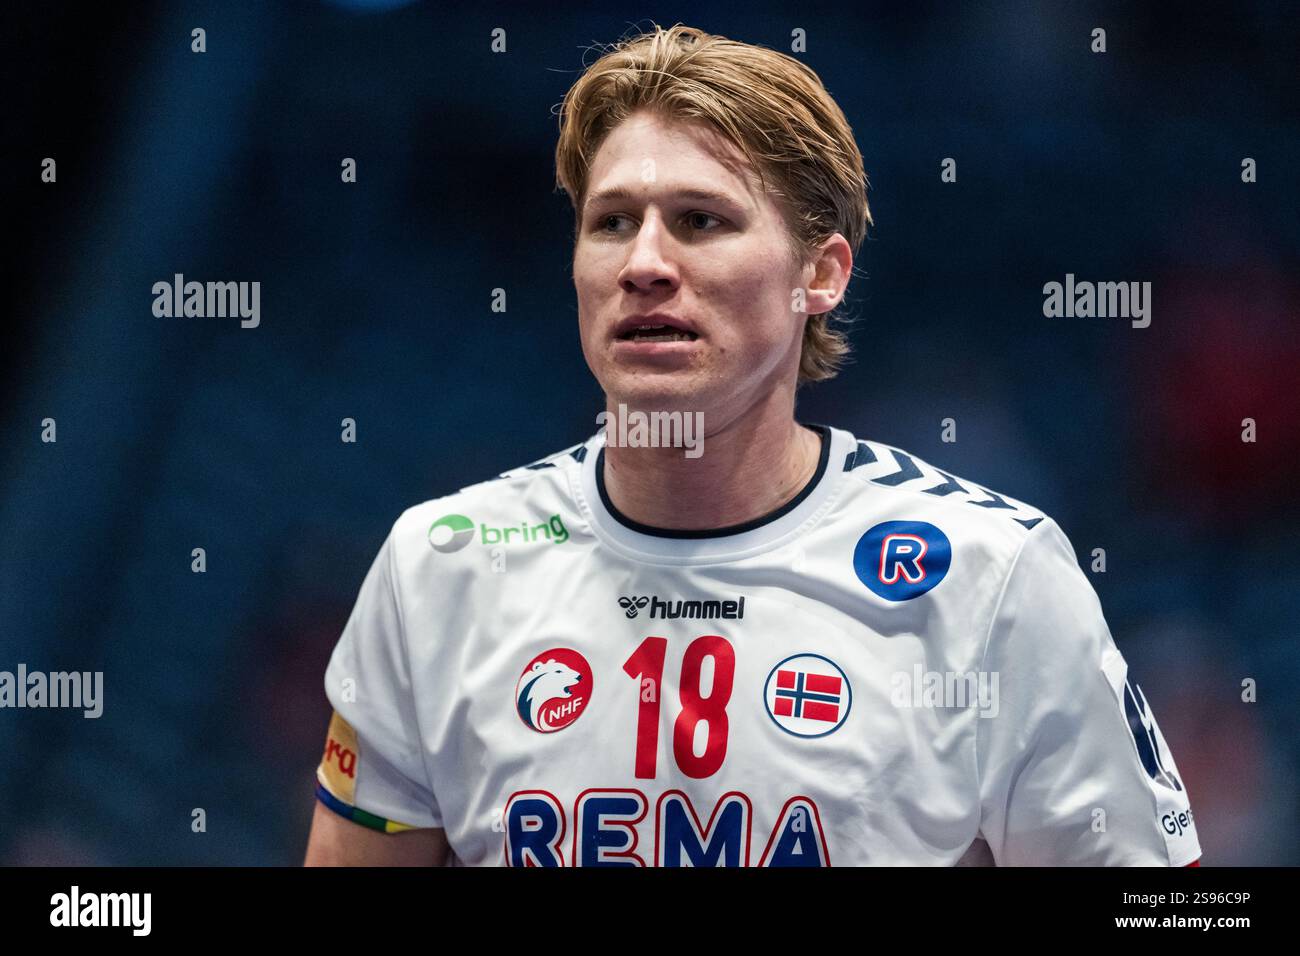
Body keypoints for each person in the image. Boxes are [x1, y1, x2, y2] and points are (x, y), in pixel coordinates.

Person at [304, 23, 1201, 866]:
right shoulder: (440, 567)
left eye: (700, 220)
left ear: (820, 273)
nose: (644, 262)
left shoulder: (991, 578)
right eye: (611, 221)